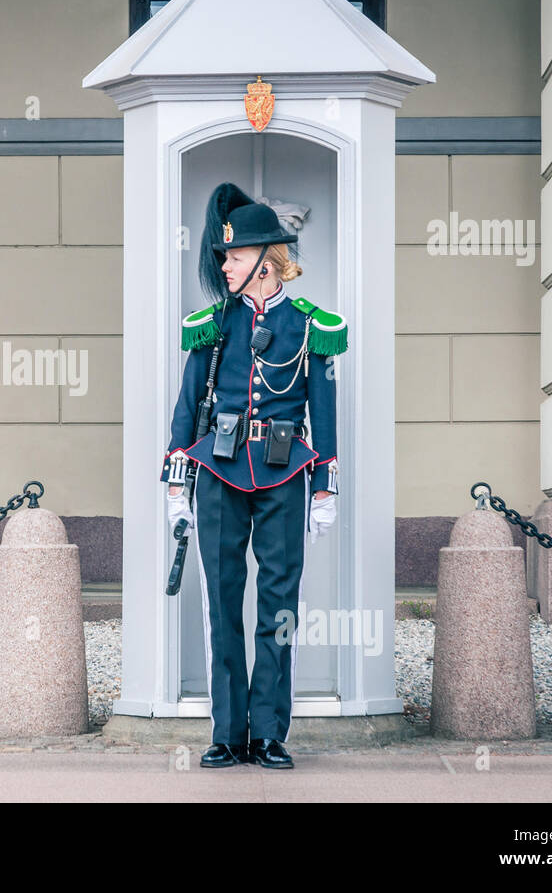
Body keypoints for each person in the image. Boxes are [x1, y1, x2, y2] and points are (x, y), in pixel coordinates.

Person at [162, 182, 346, 770]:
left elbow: (324, 408)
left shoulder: (311, 325)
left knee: (278, 606)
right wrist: (176, 484)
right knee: (221, 603)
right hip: (218, 472)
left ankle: (268, 731)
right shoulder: (212, 324)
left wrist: (324, 486)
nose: (225, 264)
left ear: (267, 261)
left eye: (235, 256)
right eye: (225, 256)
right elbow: (187, 404)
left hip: (284, 475)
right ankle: (226, 731)